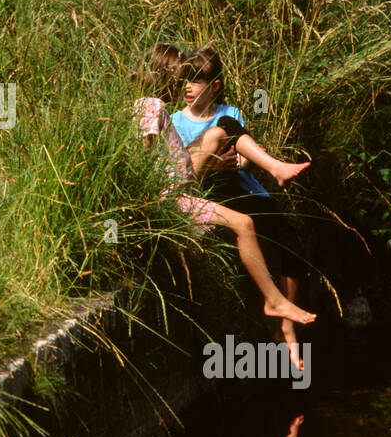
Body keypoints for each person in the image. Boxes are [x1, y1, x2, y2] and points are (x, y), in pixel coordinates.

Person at [134, 45, 314, 329]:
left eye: (192, 79)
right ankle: (274, 301)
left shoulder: (165, 108)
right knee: (219, 136)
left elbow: (237, 161)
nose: (185, 85)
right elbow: (143, 158)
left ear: (214, 86)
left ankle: (276, 304)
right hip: (182, 191)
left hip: (196, 187)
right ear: (167, 75)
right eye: (182, 77)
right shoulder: (154, 107)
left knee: (222, 132)